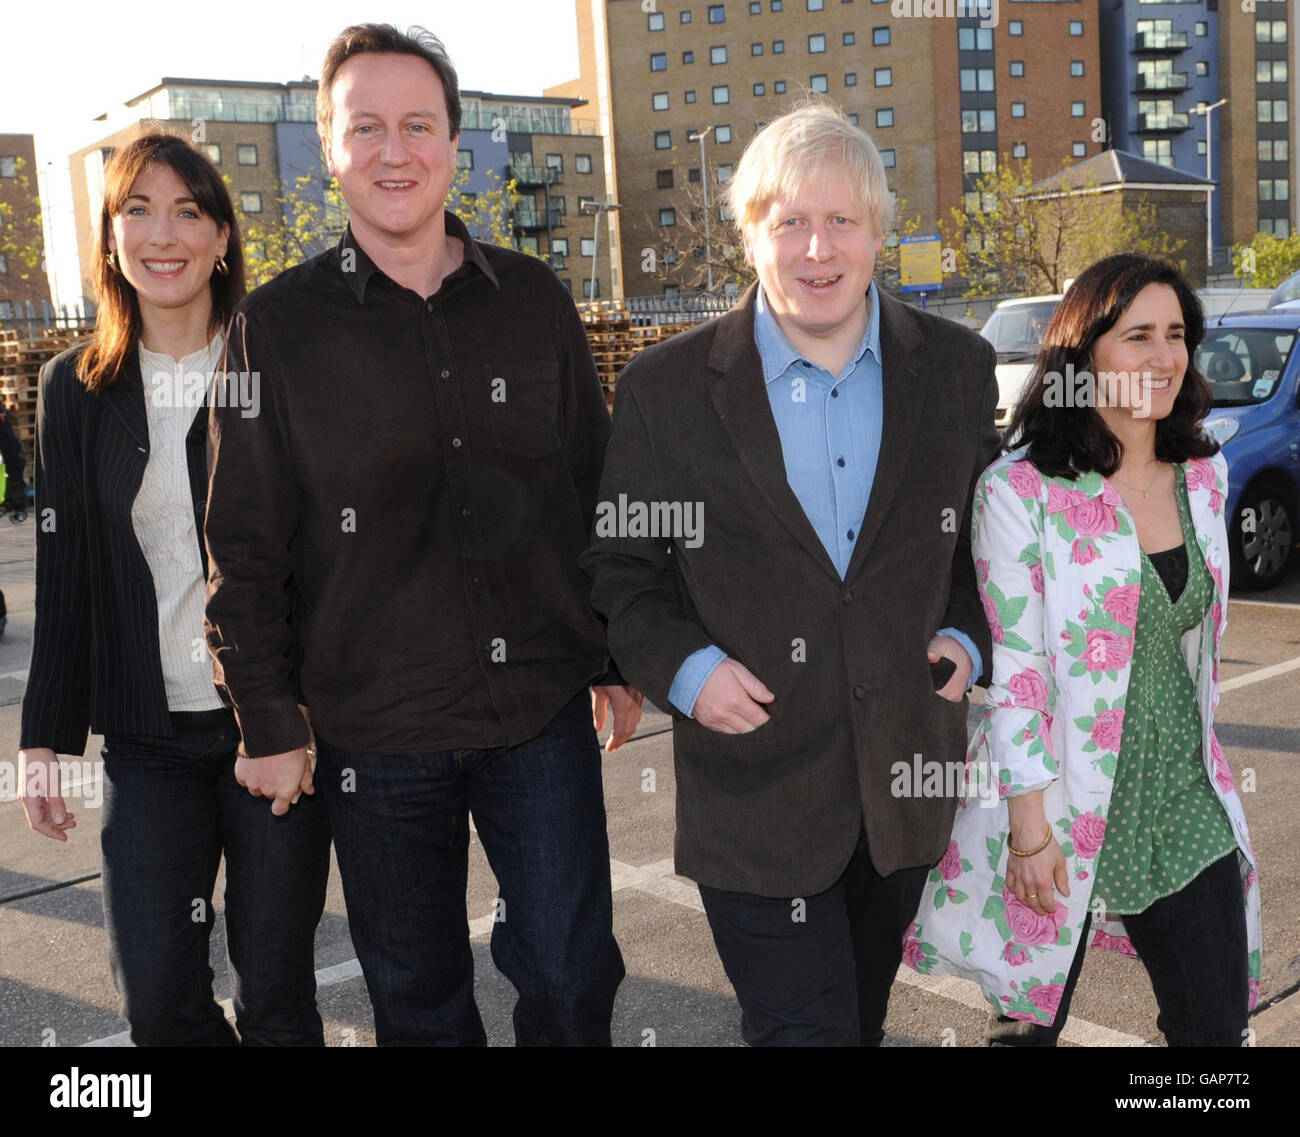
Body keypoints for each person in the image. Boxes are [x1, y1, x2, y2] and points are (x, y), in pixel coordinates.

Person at [203, 24, 637, 1047]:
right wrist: (266, 715)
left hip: (537, 710)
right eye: (366, 128)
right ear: (329, 149)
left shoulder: (534, 304)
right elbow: (246, 545)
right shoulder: (275, 331)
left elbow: (593, 486)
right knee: (419, 1002)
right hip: (374, 731)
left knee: (574, 978)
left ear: (453, 142)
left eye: (416, 125)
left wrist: (617, 651)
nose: (393, 150)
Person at [582, 104, 1001, 1046]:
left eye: (842, 221)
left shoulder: (959, 369)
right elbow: (621, 572)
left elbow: (989, 542)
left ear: (878, 233)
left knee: (856, 1025)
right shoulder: (667, 388)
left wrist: (968, 635)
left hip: (904, 784)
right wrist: (687, 672)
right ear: (750, 238)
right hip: (756, 800)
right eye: (790, 223)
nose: (818, 248)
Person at [16, 132, 331, 1046]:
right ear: (111, 237)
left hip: (269, 726)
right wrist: (43, 736)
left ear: (224, 236)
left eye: (189, 210)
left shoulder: (276, 372)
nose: (165, 233)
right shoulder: (74, 390)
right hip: (148, 742)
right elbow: (65, 571)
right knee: (157, 998)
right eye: (138, 210)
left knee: (276, 995)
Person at [904, 253, 1262, 1045]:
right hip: (1063, 804)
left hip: (1181, 797)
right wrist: (1028, 830)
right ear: (1083, 351)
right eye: (1138, 335)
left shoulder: (1204, 476)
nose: (1164, 356)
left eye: (1176, 335)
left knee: (1215, 1038)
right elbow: (1020, 673)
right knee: (1027, 1033)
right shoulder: (1020, 491)